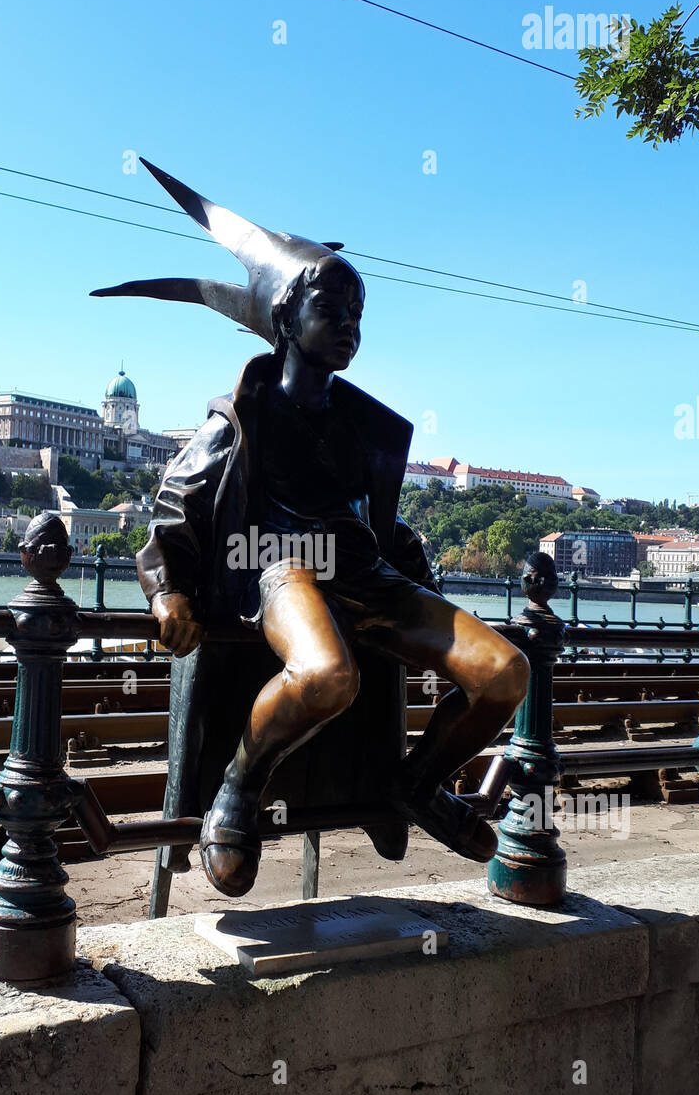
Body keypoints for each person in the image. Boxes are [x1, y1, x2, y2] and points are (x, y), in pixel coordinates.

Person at [92, 162, 530, 897]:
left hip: (365, 575)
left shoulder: (361, 428)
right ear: (287, 318)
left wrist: (417, 573)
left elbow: (376, 524)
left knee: (505, 672)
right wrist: (166, 590)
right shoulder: (244, 415)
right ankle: (238, 789)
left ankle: (415, 784)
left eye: (357, 313)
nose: (349, 327)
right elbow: (175, 504)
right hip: (278, 567)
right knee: (328, 676)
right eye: (332, 310)